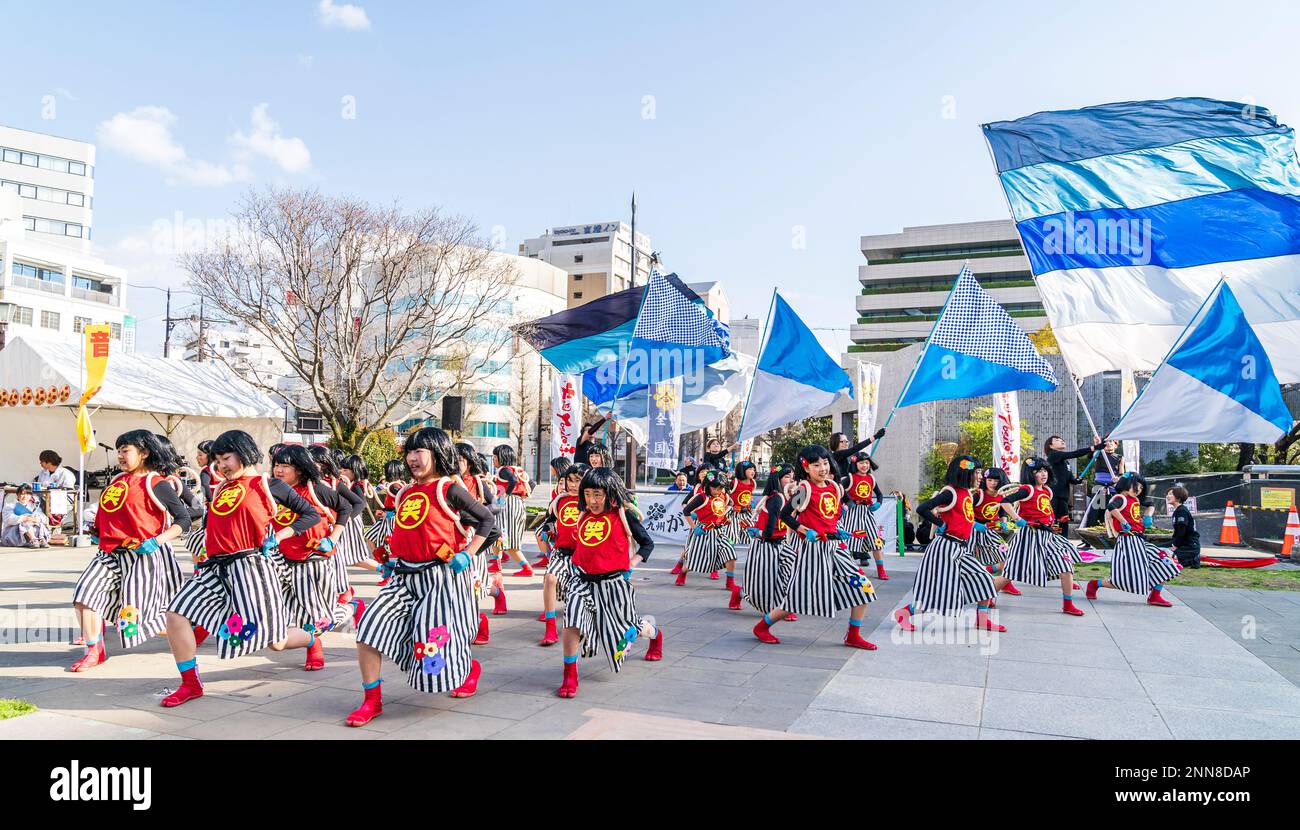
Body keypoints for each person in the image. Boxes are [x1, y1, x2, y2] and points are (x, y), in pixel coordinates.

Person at [160, 430, 324, 708]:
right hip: (215, 568)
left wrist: (281, 535)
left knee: (276, 642)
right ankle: (190, 683)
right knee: (176, 613)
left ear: (244, 453)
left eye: (226, 458)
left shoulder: (267, 484)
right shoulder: (221, 487)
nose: (221, 466)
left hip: (252, 568)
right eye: (217, 460)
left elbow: (311, 514)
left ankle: (311, 641)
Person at [346, 428, 495, 726]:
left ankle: (468, 669)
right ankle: (372, 701)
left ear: (438, 454)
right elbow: (404, 530)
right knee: (368, 631)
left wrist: (468, 552)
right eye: (409, 452)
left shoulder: (448, 488)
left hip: (438, 579)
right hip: (401, 577)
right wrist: (389, 559)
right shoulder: (404, 492)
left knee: (433, 648)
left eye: (419, 452)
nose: (412, 458)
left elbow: (487, 519)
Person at [68, 431, 193, 671]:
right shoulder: (116, 481)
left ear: (144, 453)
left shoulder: (156, 484)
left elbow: (184, 519)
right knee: (84, 596)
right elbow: (109, 514)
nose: (120, 456)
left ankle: (192, 626)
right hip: (109, 554)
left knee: (145, 616)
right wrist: (97, 530)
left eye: (126, 450)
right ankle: (95, 650)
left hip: (143, 557)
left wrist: (158, 540)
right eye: (119, 451)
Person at [751, 445, 878, 648]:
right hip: (813, 550)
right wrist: (803, 529)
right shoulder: (805, 489)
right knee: (797, 597)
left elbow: (830, 517)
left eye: (825, 463)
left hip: (836, 547)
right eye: (816, 464)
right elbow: (785, 515)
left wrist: (837, 530)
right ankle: (762, 627)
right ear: (806, 467)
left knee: (864, 587)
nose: (823, 468)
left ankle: (853, 635)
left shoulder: (834, 487)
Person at [556, 466, 661, 698]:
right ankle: (569, 674)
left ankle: (654, 634)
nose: (592, 501)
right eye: (588, 494)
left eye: (597, 495)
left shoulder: (623, 514)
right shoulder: (582, 515)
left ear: (610, 494)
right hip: (581, 581)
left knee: (624, 629)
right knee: (571, 619)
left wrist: (630, 565)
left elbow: (647, 544)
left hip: (613, 585)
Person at [270, 444, 365, 671]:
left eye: (285, 466)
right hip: (281, 560)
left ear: (300, 470)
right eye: (276, 465)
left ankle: (351, 608)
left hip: (314, 560)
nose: (279, 471)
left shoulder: (316, 489)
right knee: (278, 606)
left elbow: (346, 507)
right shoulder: (271, 489)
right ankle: (312, 643)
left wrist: (333, 537)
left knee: (318, 620)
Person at [893, 455, 1004, 634]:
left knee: (984, 579)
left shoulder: (967, 493)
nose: (980, 476)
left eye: (980, 472)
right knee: (939, 591)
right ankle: (904, 613)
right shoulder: (950, 492)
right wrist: (941, 524)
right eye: (977, 472)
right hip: (945, 548)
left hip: (960, 548)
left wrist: (983, 527)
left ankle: (982, 620)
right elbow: (923, 508)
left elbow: (965, 519)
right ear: (965, 472)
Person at [1000, 457, 1086, 617]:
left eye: (1045, 470)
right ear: (1030, 474)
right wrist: (1018, 519)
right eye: (1038, 471)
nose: (1043, 474)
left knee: (1066, 567)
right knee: (1011, 573)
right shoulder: (1027, 489)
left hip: (1048, 537)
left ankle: (1068, 605)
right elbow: (1005, 501)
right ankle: (986, 596)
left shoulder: (1047, 490)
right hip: (1029, 537)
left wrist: (1054, 523)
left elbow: (1046, 511)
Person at [1086, 474, 1182, 607]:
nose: (1140, 489)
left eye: (1142, 487)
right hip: (1127, 542)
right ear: (1127, 483)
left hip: (1140, 540)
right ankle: (1095, 584)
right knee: (1126, 579)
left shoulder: (1135, 500)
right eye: (1138, 485)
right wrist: (1123, 521)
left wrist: (1148, 516)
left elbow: (1151, 504)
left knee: (1165, 562)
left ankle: (1155, 595)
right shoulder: (1120, 498)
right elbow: (1111, 507)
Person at [454, 443, 507, 645]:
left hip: (472, 539)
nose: (456, 463)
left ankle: (480, 623)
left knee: (473, 586)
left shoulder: (476, 481)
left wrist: (476, 513)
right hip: (451, 539)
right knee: (461, 586)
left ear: (468, 462)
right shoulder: (447, 481)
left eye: (460, 459)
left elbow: (496, 506)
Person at [742, 464, 799, 627]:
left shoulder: (790, 497)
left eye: (793, 476)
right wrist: (757, 533)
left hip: (780, 543)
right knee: (762, 582)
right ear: (778, 480)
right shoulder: (776, 498)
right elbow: (767, 532)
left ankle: (784, 606)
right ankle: (740, 594)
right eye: (787, 476)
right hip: (765, 544)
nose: (792, 479)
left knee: (790, 572)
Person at [538, 463, 586, 646]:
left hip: (582, 556)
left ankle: (582, 624)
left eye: (578, 481)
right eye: (569, 481)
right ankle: (550, 628)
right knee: (549, 579)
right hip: (560, 553)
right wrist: (548, 529)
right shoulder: (559, 500)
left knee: (576, 595)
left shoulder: (589, 502)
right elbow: (549, 521)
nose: (573, 485)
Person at [679, 469, 742, 608]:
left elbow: (730, 505)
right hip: (703, 532)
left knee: (731, 554)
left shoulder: (724, 496)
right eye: (715, 487)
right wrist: (694, 526)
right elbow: (686, 511)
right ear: (707, 485)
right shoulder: (701, 497)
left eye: (720, 488)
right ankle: (682, 572)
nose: (717, 491)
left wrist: (724, 516)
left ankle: (729, 581)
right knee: (694, 560)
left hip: (719, 531)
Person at [970, 467, 1022, 596]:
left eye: (996, 480)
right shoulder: (978, 494)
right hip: (972, 529)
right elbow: (965, 513)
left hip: (990, 530)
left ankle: (1005, 583)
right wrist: (975, 524)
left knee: (1006, 554)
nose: (993, 483)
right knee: (967, 558)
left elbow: (1002, 512)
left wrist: (1003, 523)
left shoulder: (1002, 496)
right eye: (990, 480)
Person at [838, 451, 889, 580]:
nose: (864, 465)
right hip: (852, 513)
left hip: (867, 512)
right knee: (850, 541)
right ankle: (849, 570)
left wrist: (879, 503)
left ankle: (881, 570)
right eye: (861, 463)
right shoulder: (850, 477)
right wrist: (845, 503)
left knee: (875, 540)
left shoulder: (871, 478)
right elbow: (838, 489)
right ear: (856, 464)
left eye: (866, 462)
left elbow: (880, 494)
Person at [1043, 435, 1104, 538]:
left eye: (1062, 440)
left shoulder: (1065, 461)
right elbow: (1074, 454)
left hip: (1063, 496)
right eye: (1057, 440)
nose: (1062, 441)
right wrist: (1093, 447)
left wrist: (1076, 480)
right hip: (1054, 495)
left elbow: (1070, 479)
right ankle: (1051, 540)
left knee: (1063, 521)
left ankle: (1063, 541)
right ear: (1051, 446)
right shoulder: (1053, 455)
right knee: (1053, 520)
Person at [493, 444, 533, 576]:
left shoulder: (504, 470)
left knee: (508, 539)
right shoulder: (519, 470)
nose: (493, 459)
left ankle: (526, 568)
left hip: (508, 504)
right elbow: (531, 483)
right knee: (500, 534)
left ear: (502, 457)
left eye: (495, 457)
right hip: (517, 503)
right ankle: (496, 562)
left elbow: (513, 480)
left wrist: (507, 494)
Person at [533, 457, 573, 569]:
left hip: (560, 519)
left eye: (552, 467)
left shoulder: (566, 481)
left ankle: (549, 557)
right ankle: (549, 556)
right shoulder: (560, 481)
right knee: (542, 534)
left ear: (557, 468)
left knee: (542, 534)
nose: (550, 469)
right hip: (553, 518)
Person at [1166, 486, 1201, 568]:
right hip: (1182, 544)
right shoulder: (1178, 510)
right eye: (1167, 494)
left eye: (1170, 494)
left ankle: (1192, 558)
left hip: (1189, 546)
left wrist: (1175, 545)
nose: (1167, 496)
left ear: (1178, 496)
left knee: (1162, 556)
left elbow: (1182, 531)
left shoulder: (1181, 511)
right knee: (1156, 548)